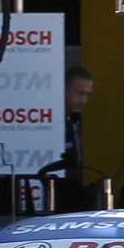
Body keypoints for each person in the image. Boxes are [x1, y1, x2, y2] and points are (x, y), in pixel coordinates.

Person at [46, 65, 95, 208]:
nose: (83, 100)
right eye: (79, 93)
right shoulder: (51, 121)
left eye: (87, 94)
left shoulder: (75, 122)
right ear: (64, 89)